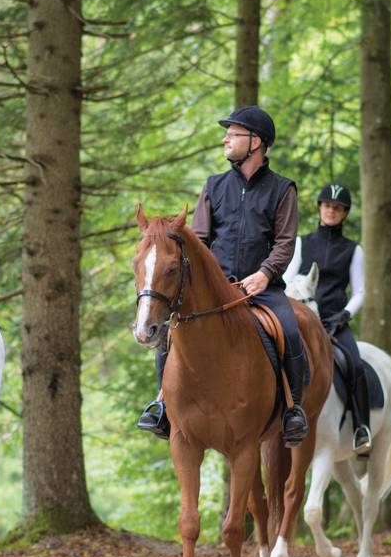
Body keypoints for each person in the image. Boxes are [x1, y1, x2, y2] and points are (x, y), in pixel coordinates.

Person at [137, 105, 310, 446]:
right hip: (217, 290)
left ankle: (293, 410)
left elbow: (285, 242)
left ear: (255, 141)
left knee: (290, 330)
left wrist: (264, 274)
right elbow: (200, 241)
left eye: (232, 134)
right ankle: (161, 405)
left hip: (261, 287)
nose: (225, 139)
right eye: (226, 134)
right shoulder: (214, 186)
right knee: (171, 333)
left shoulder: (282, 189)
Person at [292, 182, 371, 455]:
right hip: (301, 317)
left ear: (344, 213)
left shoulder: (353, 250)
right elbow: (288, 278)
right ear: (319, 208)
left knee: (355, 364)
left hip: (335, 320)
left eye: (337, 208)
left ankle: (362, 428)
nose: (331, 212)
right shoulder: (302, 242)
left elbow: (360, 290)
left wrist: (345, 314)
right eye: (327, 206)